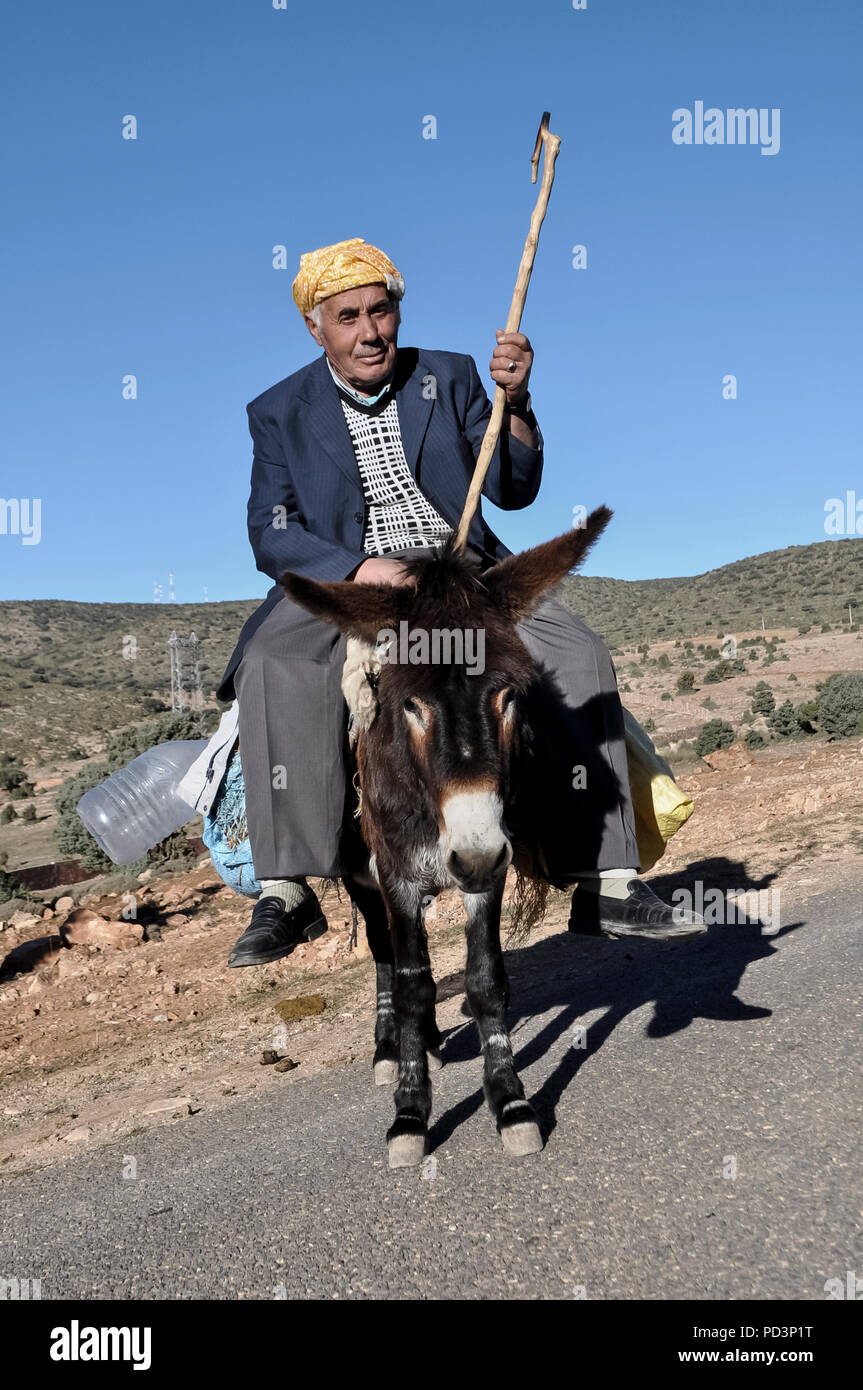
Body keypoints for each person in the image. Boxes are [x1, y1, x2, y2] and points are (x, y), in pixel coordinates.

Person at [216, 238, 704, 966]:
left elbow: (511, 485)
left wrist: (519, 403)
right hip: (353, 579)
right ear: (315, 329)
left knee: (576, 651)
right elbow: (269, 529)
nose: (369, 331)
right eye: (347, 317)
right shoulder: (278, 411)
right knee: (272, 660)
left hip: (462, 571)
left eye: (380, 311)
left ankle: (604, 877)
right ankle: (287, 886)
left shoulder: (449, 376)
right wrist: (354, 565)